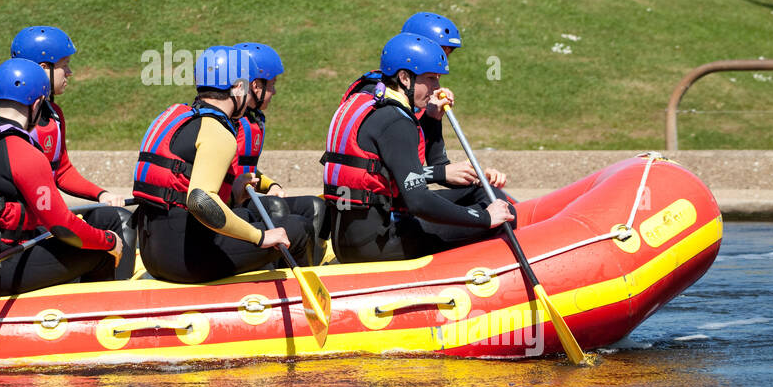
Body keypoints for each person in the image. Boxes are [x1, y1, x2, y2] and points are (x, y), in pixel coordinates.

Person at [0, 59, 126, 294]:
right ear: (37, 105)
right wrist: (109, 240)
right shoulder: (25, 153)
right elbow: (63, 226)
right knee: (99, 251)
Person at [322, 33, 514, 264]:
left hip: (354, 238)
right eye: (431, 79)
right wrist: (484, 218)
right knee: (505, 218)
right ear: (405, 77)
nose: (437, 88)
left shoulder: (367, 99)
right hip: (377, 244)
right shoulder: (396, 121)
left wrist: (432, 118)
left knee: (480, 192)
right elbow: (419, 202)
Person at [132, 45, 314, 283]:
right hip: (186, 260)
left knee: (252, 216)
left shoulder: (177, 116)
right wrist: (259, 237)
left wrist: (235, 194)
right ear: (239, 87)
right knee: (298, 229)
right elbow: (200, 200)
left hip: (154, 252)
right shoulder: (218, 132)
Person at [0, 25, 133, 276]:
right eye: (64, 65)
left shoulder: (53, 114)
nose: (69, 72)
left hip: (41, 224)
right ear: (42, 69)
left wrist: (101, 194)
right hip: (7, 239)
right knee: (104, 243)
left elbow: (61, 171)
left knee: (116, 218)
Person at [229, 42, 328, 263]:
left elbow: (244, 168)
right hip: (225, 206)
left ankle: (313, 270)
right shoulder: (228, 122)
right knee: (275, 206)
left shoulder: (253, 119)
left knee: (316, 206)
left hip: (242, 197)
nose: (274, 92)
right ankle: (275, 271)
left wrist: (270, 184)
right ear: (255, 86)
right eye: (271, 85)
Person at [401, 11, 508, 192]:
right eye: (438, 54)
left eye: (445, 56)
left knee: (485, 193)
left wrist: (476, 176)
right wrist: (440, 173)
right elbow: (395, 175)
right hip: (387, 209)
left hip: (409, 200)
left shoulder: (418, 101)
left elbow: (439, 165)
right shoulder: (383, 102)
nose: (442, 64)